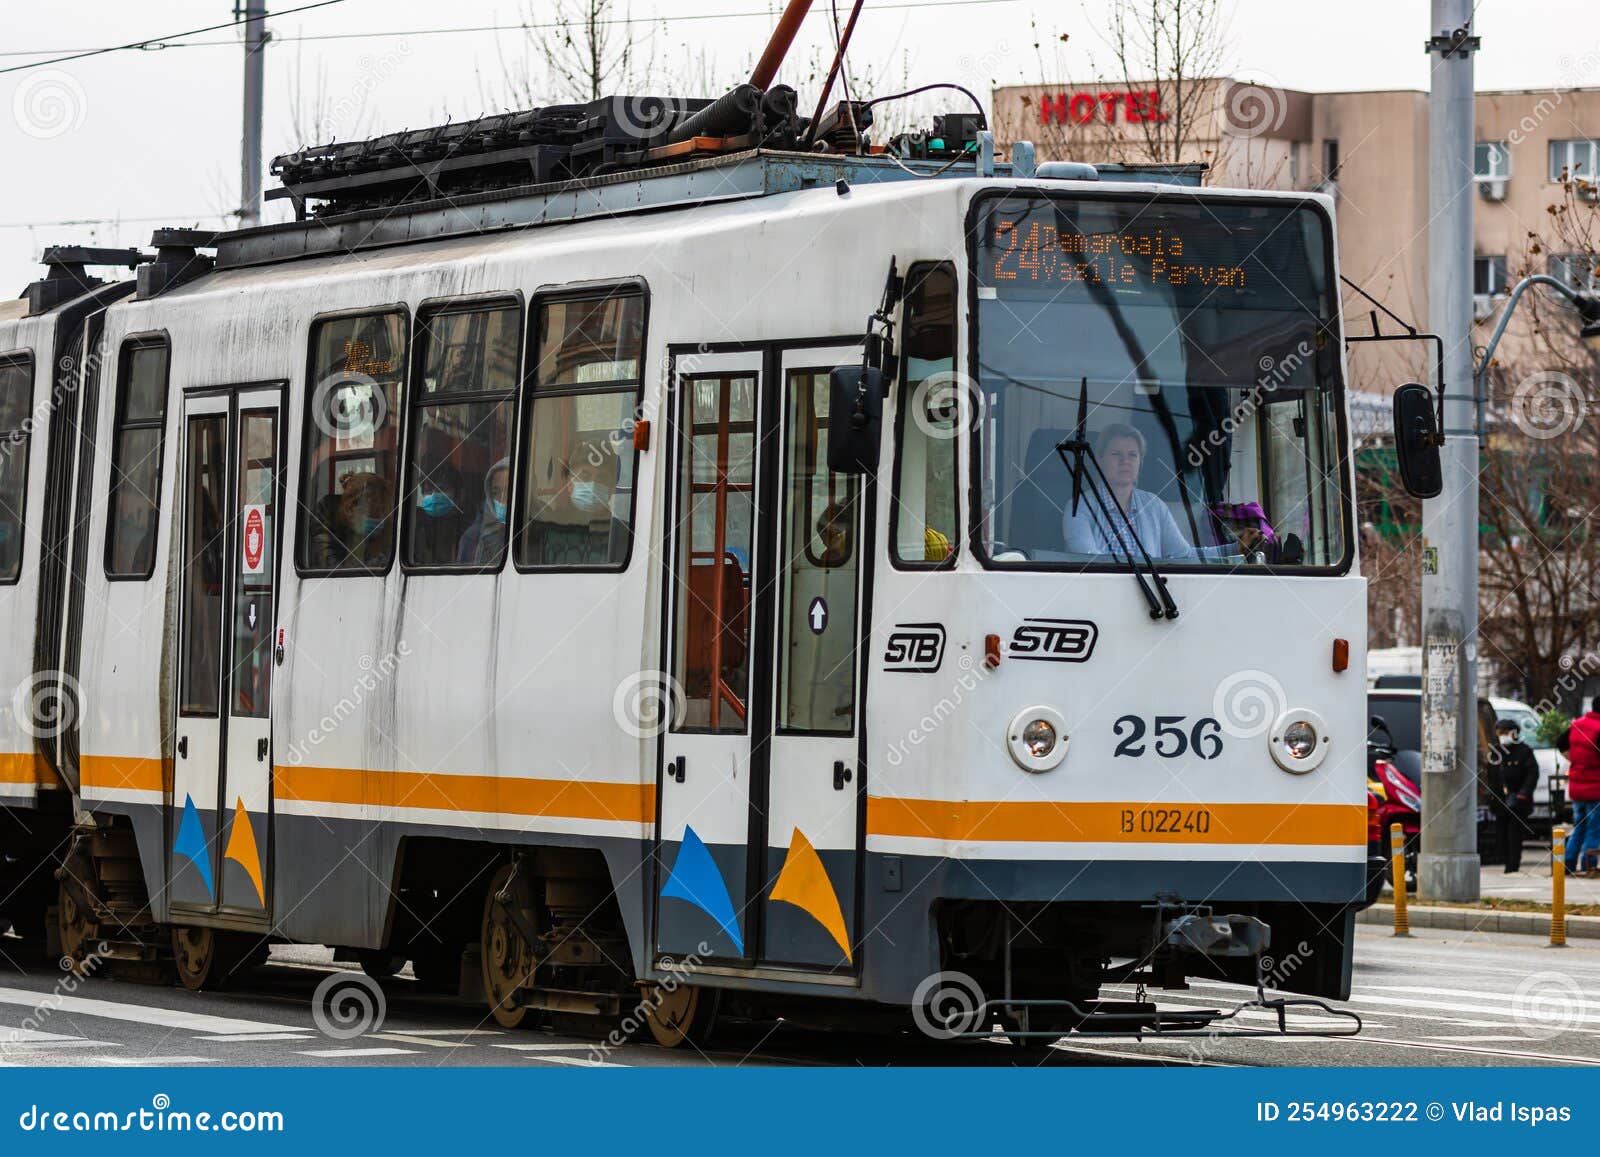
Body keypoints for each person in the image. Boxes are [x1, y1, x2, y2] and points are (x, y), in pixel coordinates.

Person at [1061, 423, 1252, 561]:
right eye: (1116, 454)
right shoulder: (1079, 507)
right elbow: (1088, 564)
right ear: (1100, 460)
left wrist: (1234, 548)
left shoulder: (1154, 505)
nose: (1125, 461)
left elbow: (1183, 555)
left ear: (1140, 462)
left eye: (1132, 455)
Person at [1557, 698, 1600, 875]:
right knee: (1594, 830)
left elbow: (1561, 743)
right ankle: (1589, 866)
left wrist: (1573, 759)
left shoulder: (1577, 725)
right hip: (1595, 788)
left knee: (1579, 828)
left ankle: (1568, 863)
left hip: (1576, 787)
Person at [1490, 717, 1539, 873]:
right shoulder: (1496, 751)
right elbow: (1491, 775)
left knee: (1514, 835)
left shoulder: (1524, 751)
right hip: (1500, 802)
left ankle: (1512, 866)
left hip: (1518, 801)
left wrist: (1524, 793)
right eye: (1499, 733)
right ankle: (1505, 859)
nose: (1502, 736)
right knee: (1501, 835)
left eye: (1505, 732)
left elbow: (1532, 774)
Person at [456, 457, 510, 565]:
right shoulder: (472, 539)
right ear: (489, 496)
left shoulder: (543, 535)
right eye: (495, 492)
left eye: (509, 492)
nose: (502, 499)